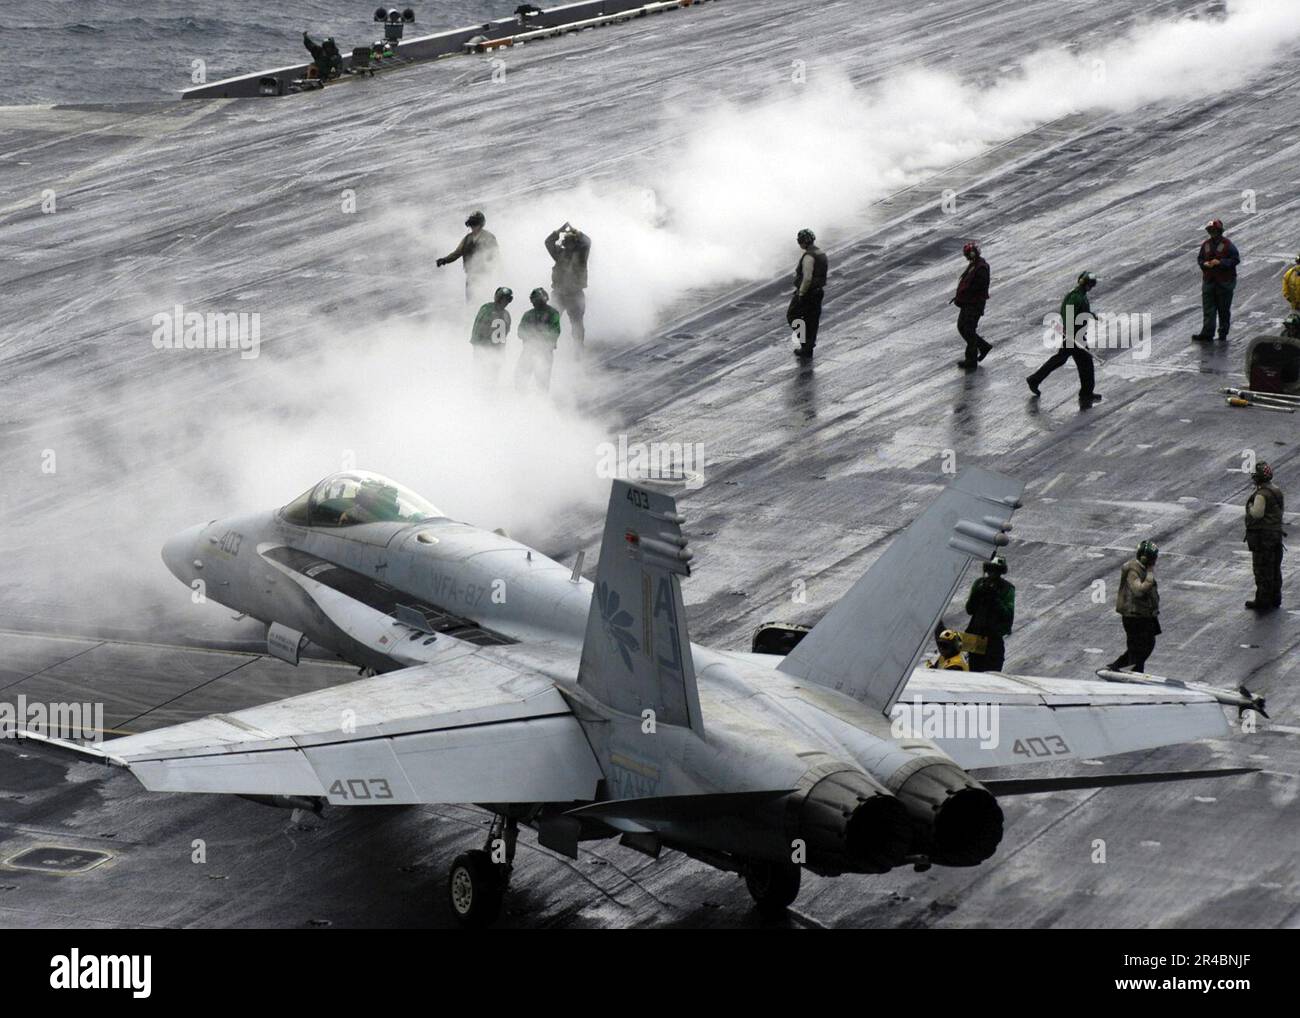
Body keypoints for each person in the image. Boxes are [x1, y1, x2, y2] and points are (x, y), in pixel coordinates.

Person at [1026, 271, 1102, 406]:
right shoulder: (1076, 297)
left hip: (1075, 333)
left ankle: (1035, 379)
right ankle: (1086, 393)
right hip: (1075, 334)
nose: (1091, 288)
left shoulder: (1079, 295)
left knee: (1060, 359)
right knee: (1086, 364)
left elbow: (1079, 312)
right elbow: (1068, 314)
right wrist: (1070, 332)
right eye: (1090, 285)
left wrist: (1090, 315)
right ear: (1086, 284)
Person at [1106, 540, 1160, 673]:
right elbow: (1138, 590)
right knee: (1138, 647)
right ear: (1145, 558)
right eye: (1153, 558)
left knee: (1146, 644)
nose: (1155, 561)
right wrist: (1150, 574)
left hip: (1145, 615)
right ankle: (1126, 669)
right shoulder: (1133, 569)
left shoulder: (1142, 569)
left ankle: (1126, 668)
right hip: (1134, 616)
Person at [1243, 461, 1285, 611]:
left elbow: (1257, 514)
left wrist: (1249, 508)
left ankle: (1263, 600)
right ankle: (1275, 598)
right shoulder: (1276, 490)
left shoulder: (1261, 495)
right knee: (1274, 568)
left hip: (1263, 537)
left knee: (1262, 568)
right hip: (1276, 535)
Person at [1192, 219, 1241, 342]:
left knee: (1223, 309)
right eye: (1210, 230)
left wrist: (1220, 262)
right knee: (1208, 309)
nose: (1212, 232)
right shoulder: (1206, 244)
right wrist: (1205, 264)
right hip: (1209, 282)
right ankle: (1207, 333)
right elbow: (1200, 259)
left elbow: (1235, 259)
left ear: (1219, 231)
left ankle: (1223, 333)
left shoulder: (1228, 244)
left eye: (1214, 230)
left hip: (1224, 283)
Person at [545, 223, 591, 351]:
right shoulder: (560, 254)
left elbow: (587, 242)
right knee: (552, 320)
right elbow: (548, 242)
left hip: (575, 294)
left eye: (572, 242)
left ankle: (578, 346)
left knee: (577, 323)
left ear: (576, 244)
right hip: (559, 293)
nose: (569, 245)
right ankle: (549, 344)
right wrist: (558, 231)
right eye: (567, 242)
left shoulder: (581, 256)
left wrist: (577, 231)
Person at [437, 211, 500, 304]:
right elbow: (457, 253)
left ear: (480, 224)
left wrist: (494, 271)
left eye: (475, 224)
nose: (473, 227)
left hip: (485, 275)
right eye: (471, 224)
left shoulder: (488, 237)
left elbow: (495, 256)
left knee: (483, 298)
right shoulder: (467, 239)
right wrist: (445, 260)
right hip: (471, 275)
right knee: (471, 300)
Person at [964, 555, 1014, 671]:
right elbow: (969, 609)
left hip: (993, 639)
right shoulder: (979, 583)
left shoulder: (1008, 588)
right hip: (975, 635)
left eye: (996, 571)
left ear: (1000, 572)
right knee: (973, 671)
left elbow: (1008, 615)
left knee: (992, 671)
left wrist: (995, 599)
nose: (992, 574)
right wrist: (977, 594)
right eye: (990, 570)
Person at [787, 228, 828, 360]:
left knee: (793, 315)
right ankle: (808, 346)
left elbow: (807, 277)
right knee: (812, 320)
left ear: (803, 242)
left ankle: (805, 344)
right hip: (818, 292)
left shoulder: (809, 256)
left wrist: (801, 293)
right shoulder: (820, 253)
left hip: (808, 293)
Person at [952, 242, 992, 369]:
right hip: (967, 304)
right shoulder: (973, 266)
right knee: (962, 327)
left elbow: (977, 287)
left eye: (968, 255)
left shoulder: (981, 268)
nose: (967, 258)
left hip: (974, 305)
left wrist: (965, 295)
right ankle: (983, 346)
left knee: (968, 330)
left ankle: (971, 360)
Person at [514, 287, 562, 392]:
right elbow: (520, 332)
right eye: (534, 300)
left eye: (537, 299)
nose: (535, 302)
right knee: (521, 377)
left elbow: (555, 332)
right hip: (529, 351)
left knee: (542, 381)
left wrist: (533, 336)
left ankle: (541, 403)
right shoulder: (528, 314)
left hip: (543, 352)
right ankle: (521, 400)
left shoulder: (552, 313)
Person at [470, 287, 513, 383]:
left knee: (482, 375)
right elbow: (506, 332)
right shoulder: (506, 315)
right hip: (495, 350)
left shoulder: (486, 308)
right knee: (491, 377)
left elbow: (478, 328)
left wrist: (476, 345)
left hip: (485, 348)